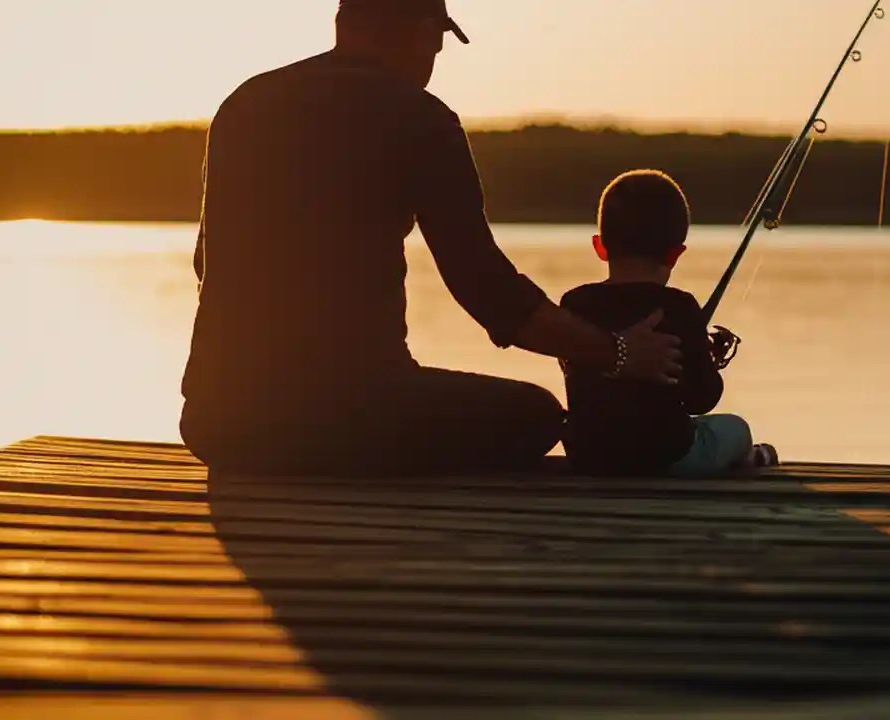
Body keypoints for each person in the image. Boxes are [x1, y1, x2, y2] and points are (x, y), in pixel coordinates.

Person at [180, 0, 683, 477]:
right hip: (341, 421)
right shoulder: (421, 118)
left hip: (220, 424)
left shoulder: (245, 105)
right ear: (425, 35)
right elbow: (485, 287)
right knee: (538, 413)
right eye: (438, 47)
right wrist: (616, 351)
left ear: (344, 21)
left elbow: (208, 261)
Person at [560, 170, 778, 477]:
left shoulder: (574, 304)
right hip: (667, 458)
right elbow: (702, 399)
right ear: (675, 254)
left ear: (600, 246)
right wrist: (705, 359)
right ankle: (751, 458)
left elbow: (575, 372)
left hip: (591, 456)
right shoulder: (681, 308)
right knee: (734, 428)